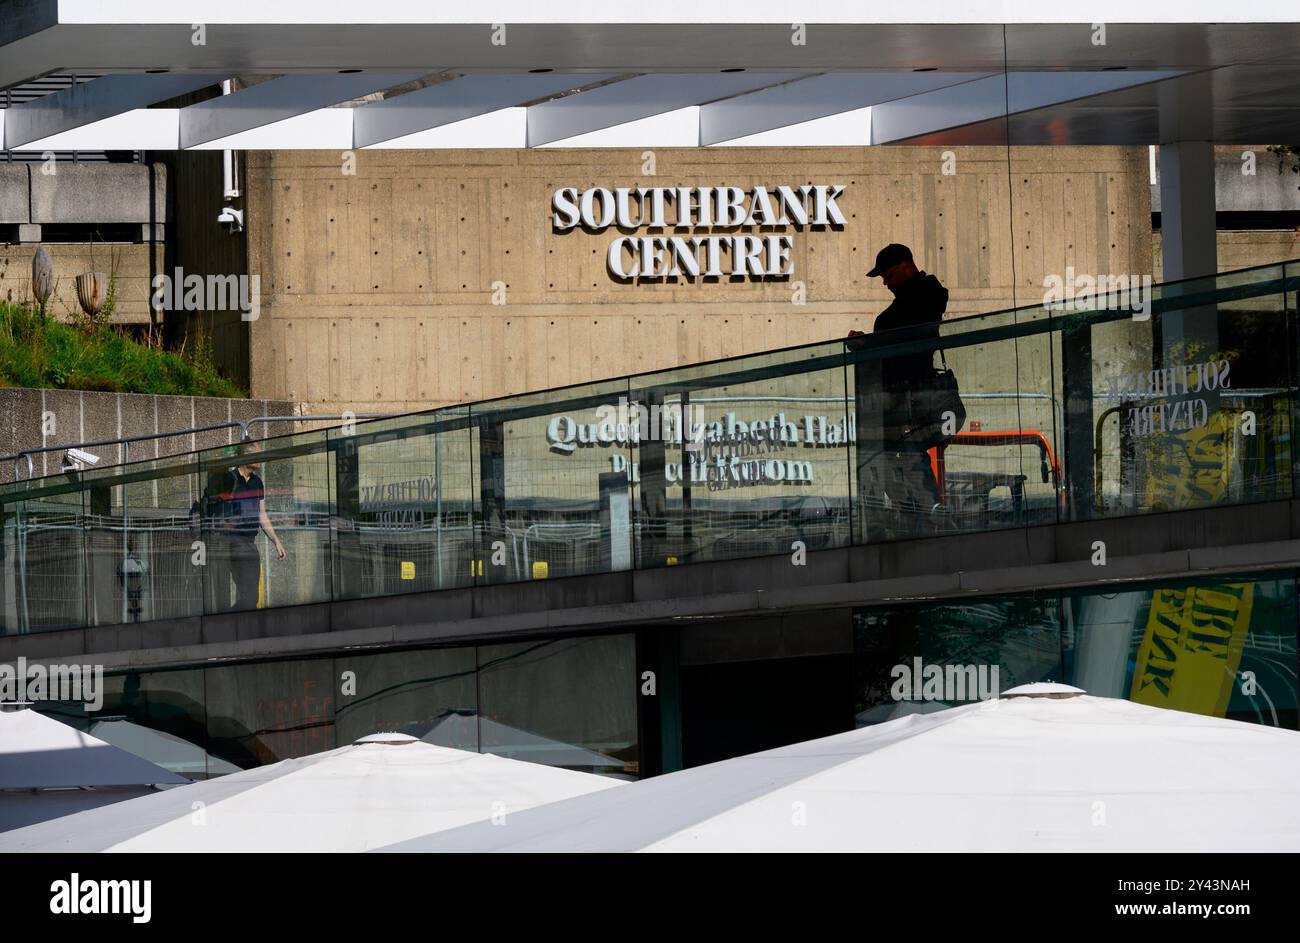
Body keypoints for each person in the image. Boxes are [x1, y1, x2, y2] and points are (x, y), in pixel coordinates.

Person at [849, 243, 949, 535]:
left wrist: (870, 343)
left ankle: (927, 511)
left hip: (910, 398)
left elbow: (911, 331)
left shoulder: (926, 295)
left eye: (889, 276)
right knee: (898, 455)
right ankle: (923, 512)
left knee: (904, 451)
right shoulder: (912, 302)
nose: (885, 283)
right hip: (898, 399)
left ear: (906, 266)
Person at [208, 449, 286, 611]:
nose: (259, 458)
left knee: (252, 598)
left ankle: (229, 623)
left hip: (249, 542)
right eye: (255, 454)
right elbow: (215, 507)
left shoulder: (257, 482)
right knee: (247, 597)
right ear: (244, 457)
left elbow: (262, 514)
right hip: (232, 541)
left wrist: (276, 541)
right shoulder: (230, 479)